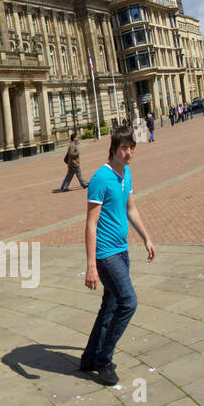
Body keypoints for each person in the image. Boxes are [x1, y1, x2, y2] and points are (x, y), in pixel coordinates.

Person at [80, 125, 156, 387]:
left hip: (122, 252)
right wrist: (91, 265)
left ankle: (89, 357)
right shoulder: (100, 178)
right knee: (128, 302)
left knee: (110, 307)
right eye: (124, 148)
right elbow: (91, 224)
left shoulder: (127, 174)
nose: (129, 153)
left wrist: (146, 237)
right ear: (113, 149)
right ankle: (104, 359)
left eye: (132, 148)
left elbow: (131, 208)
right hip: (105, 255)